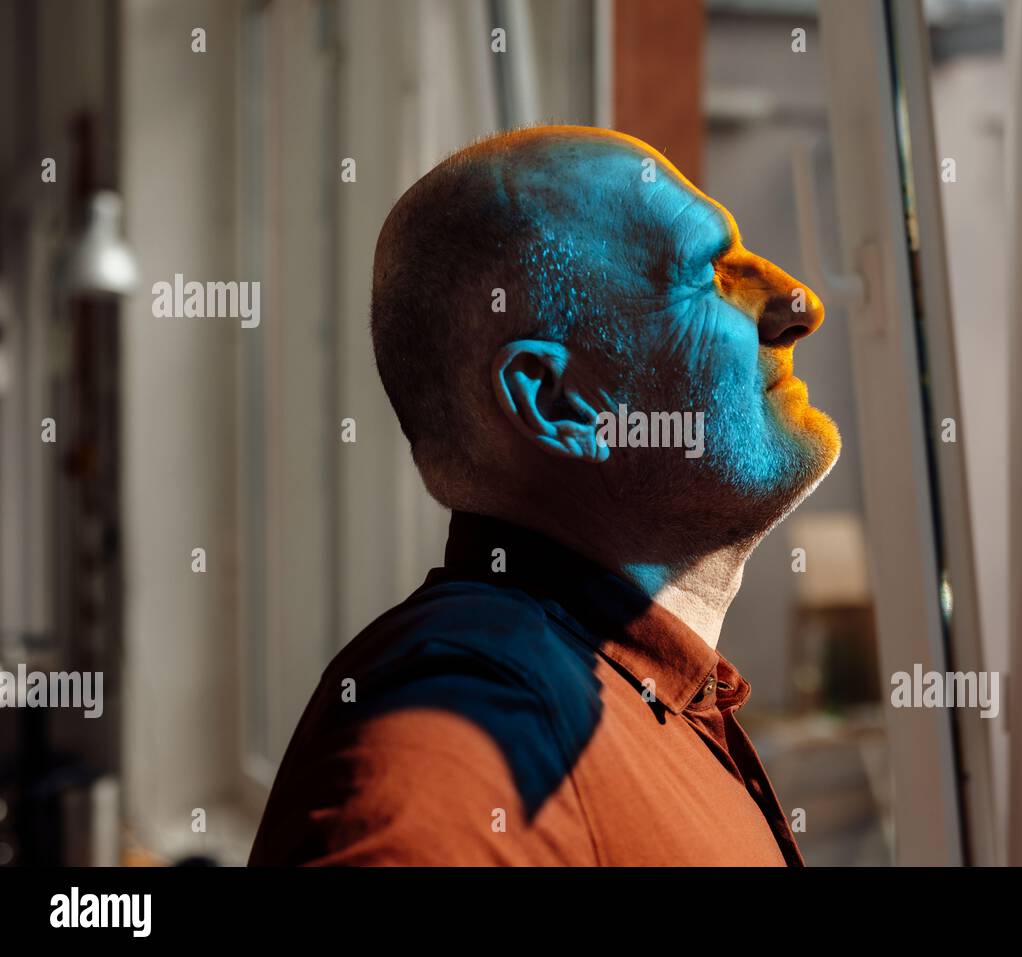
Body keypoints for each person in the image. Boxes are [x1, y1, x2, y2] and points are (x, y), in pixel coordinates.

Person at [248, 126, 841, 866]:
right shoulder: (477, 705)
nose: (799, 302)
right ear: (557, 402)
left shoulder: (621, 684)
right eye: (711, 274)